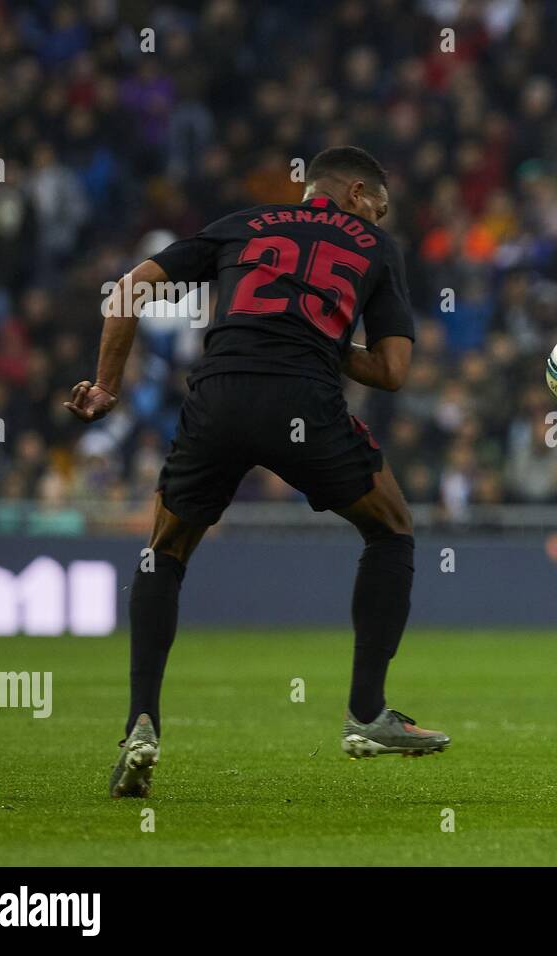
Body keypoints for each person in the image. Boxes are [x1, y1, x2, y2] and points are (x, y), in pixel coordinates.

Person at [64, 146, 449, 798]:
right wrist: (321, 339)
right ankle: (365, 712)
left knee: (164, 551)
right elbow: (392, 372)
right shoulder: (377, 246)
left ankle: (141, 724)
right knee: (391, 528)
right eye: (378, 206)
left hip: (220, 393)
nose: (380, 216)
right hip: (304, 400)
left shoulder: (244, 224)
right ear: (357, 193)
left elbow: (129, 288)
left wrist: (106, 386)